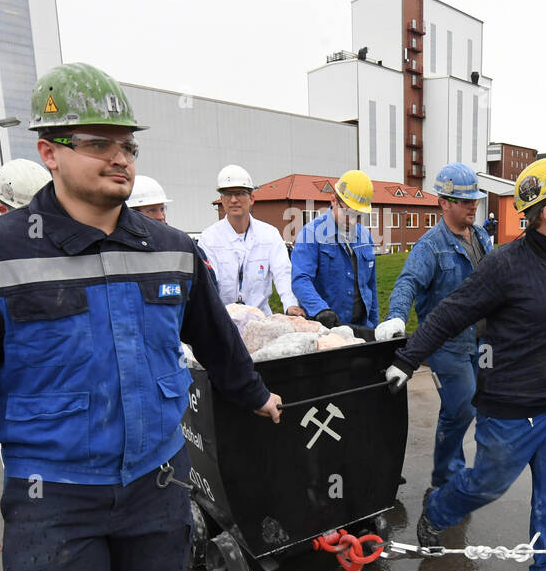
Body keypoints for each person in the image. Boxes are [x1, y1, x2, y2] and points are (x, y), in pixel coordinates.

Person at [0, 62, 282, 571]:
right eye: (97, 143)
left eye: (128, 146)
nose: (120, 158)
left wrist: (254, 394)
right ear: (49, 152)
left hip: (159, 485)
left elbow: (213, 334)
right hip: (53, 498)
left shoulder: (170, 249)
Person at [384, 153, 546, 571]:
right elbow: (452, 311)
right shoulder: (505, 265)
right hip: (509, 411)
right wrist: (407, 358)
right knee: (486, 484)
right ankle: (439, 509)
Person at [376, 163, 491, 490]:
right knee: (460, 407)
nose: (473, 206)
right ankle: (446, 479)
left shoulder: (480, 236)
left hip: (482, 342)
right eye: (465, 201)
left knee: (483, 404)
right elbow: (407, 282)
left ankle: (473, 470)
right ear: (444, 203)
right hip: (447, 345)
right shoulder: (430, 246)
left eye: (475, 200)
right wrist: (397, 314)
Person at [197, 165, 302, 316]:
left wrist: (290, 304)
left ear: (252, 198)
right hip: (224, 320)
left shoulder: (269, 234)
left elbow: (282, 272)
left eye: (240, 193)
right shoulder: (209, 238)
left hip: (260, 318)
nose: (233, 200)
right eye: (227, 194)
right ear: (221, 199)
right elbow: (208, 284)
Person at [290, 169, 378, 330]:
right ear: (333, 201)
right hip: (325, 329)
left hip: (361, 328)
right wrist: (321, 310)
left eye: (357, 215)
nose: (352, 220)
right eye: (348, 212)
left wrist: (374, 326)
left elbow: (370, 286)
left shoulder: (365, 236)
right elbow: (300, 280)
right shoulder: (311, 234)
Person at [128, 174, 218, 284]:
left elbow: (209, 290)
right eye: (152, 210)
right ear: (132, 214)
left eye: (162, 209)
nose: (161, 216)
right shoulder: (119, 252)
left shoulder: (185, 246)